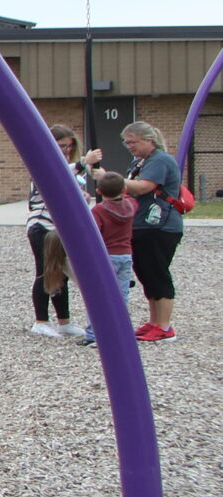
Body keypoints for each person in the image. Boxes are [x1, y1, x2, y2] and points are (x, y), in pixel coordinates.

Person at [25, 125, 96, 338]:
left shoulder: (63, 167)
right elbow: (57, 176)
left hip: (59, 228)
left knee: (61, 273)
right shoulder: (42, 165)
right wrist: (83, 163)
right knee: (45, 272)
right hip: (42, 227)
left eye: (68, 146)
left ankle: (64, 321)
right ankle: (41, 321)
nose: (65, 150)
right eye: (60, 146)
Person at [120, 120, 185, 342]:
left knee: (158, 273)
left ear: (149, 140)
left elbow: (144, 187)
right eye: (126, 143)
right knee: (146, 274)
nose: (129, 146)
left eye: (133, 142)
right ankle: (154, 322)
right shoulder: (140, 162)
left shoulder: (161, 161)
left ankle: (165, 327)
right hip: (142, 225)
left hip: (161, 226)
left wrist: (113, 181)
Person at [75, 170, 138, 347]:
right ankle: (120, 333)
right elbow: (129, 197)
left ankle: (93, 335)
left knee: (98, 296)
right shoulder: (132, 205)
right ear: (124, 189)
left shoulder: (99, 211)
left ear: (100, 192)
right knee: (122, 295)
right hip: (126, 255)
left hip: (105, 257)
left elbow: (94, 235)